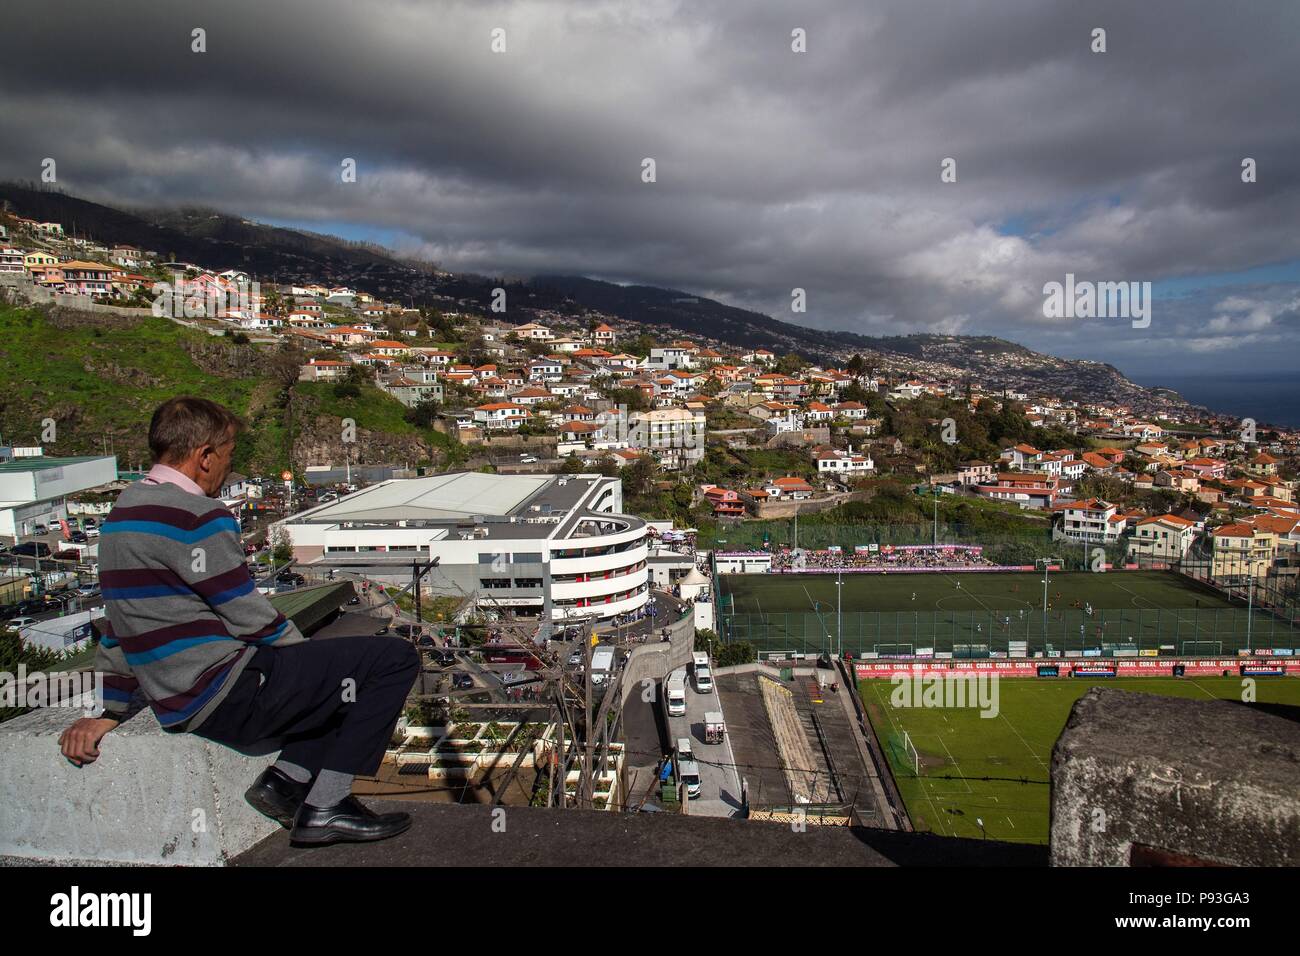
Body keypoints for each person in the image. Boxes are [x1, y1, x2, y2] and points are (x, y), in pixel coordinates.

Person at [58, 397, 419, 847]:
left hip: (179, 705)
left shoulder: (121, 515)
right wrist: (305, 659)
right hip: (228, 692)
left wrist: (110, 712)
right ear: (204, 456)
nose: (229, 469)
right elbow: (247, 614)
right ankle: (327, 806)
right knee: (394, 658)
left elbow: (118, 626)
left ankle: (285, 783)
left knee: (338, 674)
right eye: (227, 456)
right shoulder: (198, 516)